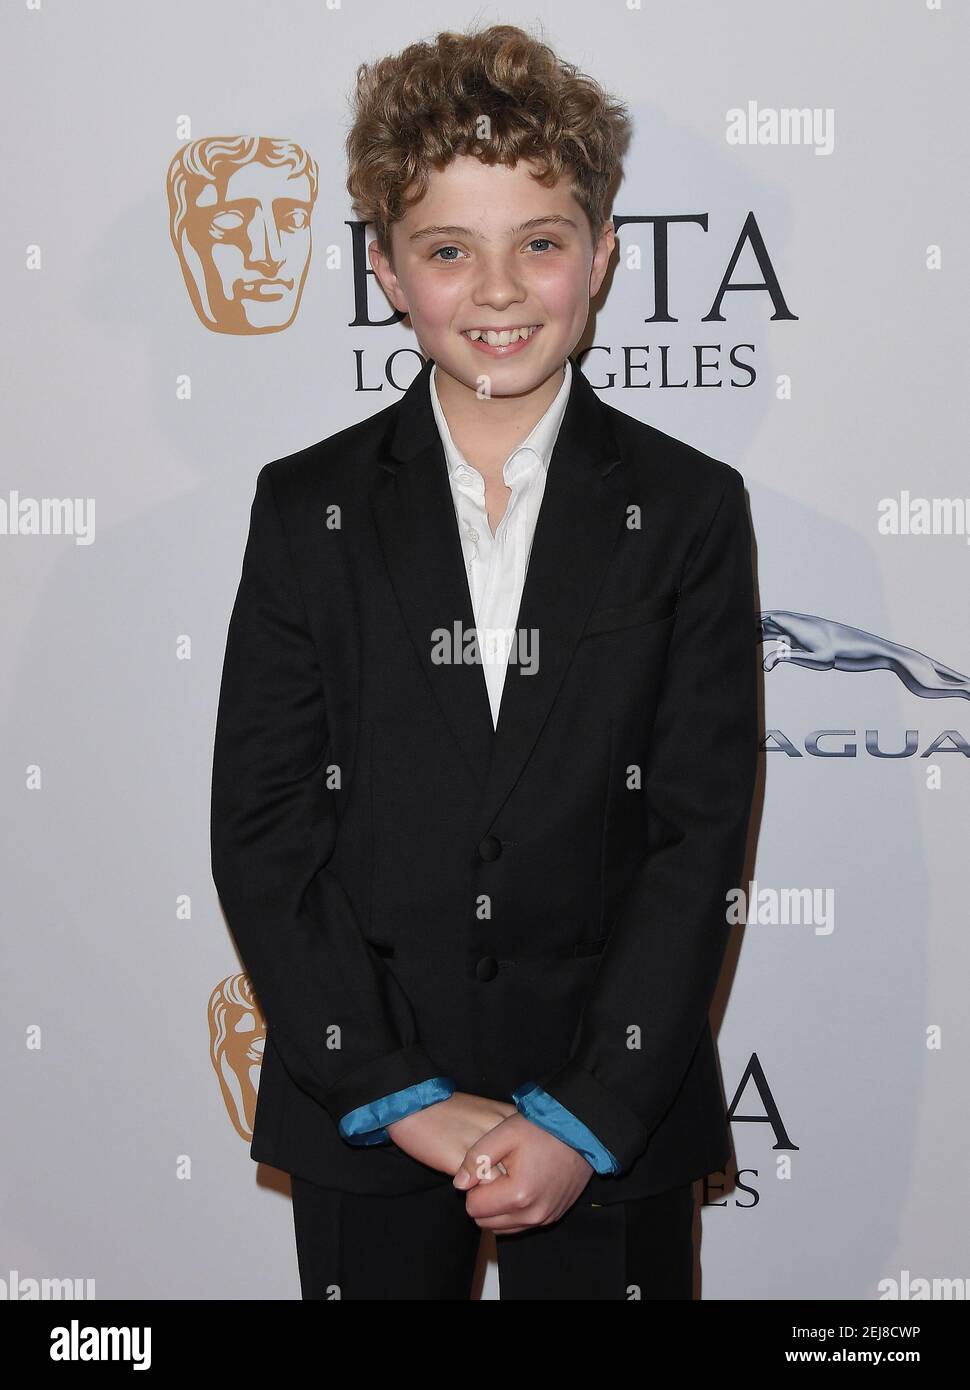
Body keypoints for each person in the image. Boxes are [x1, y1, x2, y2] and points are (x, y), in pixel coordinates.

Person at [209, 21, 758, 1300]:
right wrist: (393, 1090)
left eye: (540, 243)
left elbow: (698, 830)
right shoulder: (308, 507)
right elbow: (265, 823)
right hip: (371, 1103)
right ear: (389, 273)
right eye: (450, 250)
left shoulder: (686, 507)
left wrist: (586, 1109)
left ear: (604, 257)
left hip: (610, 1111)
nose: (500, 291)